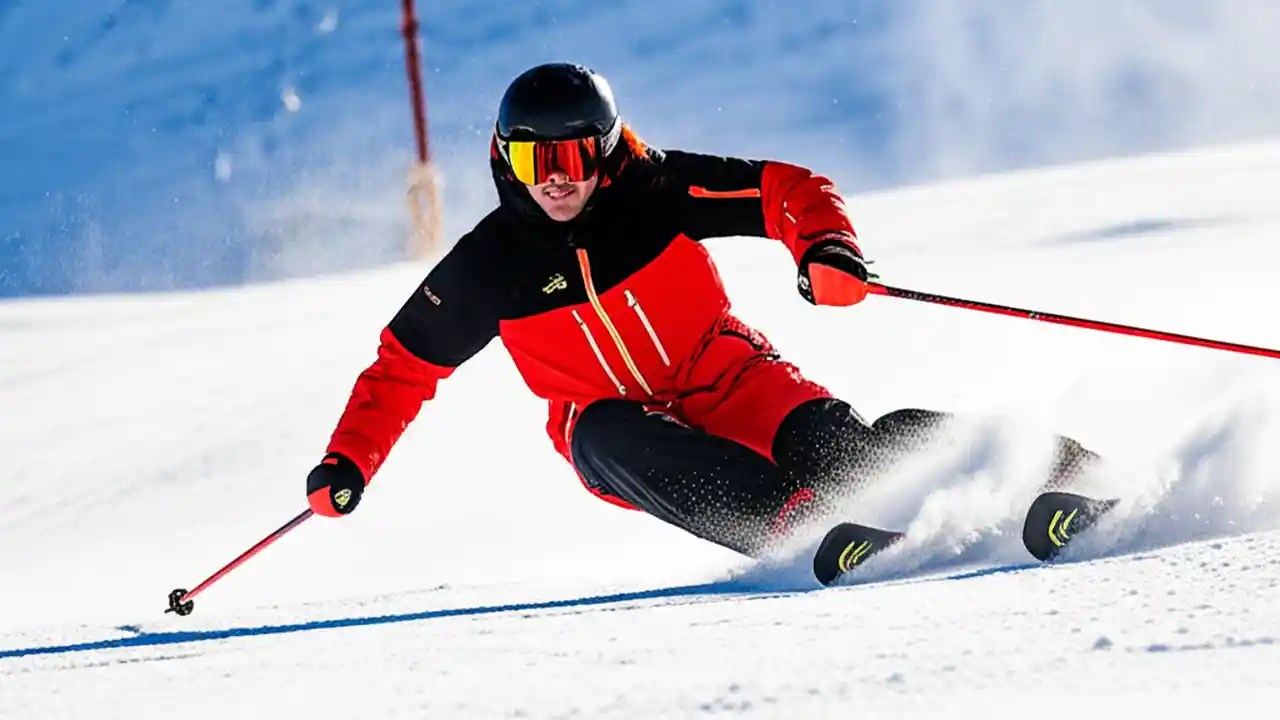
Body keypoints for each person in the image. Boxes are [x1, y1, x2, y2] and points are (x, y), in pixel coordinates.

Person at [304, 63, 1095, 582]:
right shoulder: (489, 264)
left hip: (734, 378)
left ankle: (1059, 474)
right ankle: (810, 529)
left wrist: (825, 248)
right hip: (617, 428)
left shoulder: (656, 192)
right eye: (530, 161)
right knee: (600, 433)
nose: (553, 182)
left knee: (851, 455)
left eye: (571, 158)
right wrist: (349, 462)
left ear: (604, 151)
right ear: (502, 159)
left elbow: (786, 190)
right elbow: (402, 367)